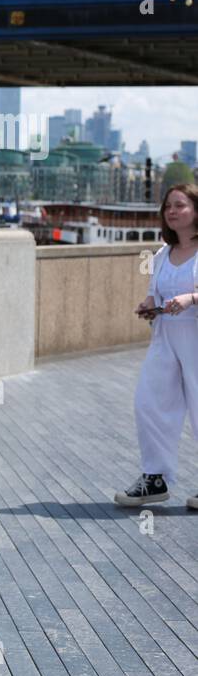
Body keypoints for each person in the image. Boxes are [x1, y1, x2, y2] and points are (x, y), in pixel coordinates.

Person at [115, 184, 198, 509]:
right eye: (168, 207)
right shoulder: (163, 253)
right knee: (148, 403)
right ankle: (155, 478)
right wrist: (148, 305)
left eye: (180, 205)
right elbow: (154, 293)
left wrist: (191, 298)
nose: (172, 212)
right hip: (165, 336)